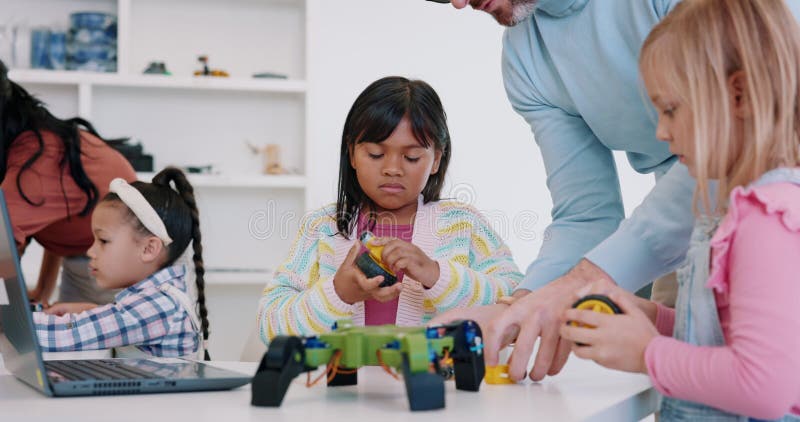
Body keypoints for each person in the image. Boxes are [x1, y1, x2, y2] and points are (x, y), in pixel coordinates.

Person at [431, 0, 800, 383]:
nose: (458, 2)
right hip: (689, 242)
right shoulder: (525, 56)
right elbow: (587, 214)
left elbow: (746, 133)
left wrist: (636, 341)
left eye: (670, 110)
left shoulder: (770, 218)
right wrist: (516, 307)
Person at [560, 1, 800, 419]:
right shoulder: (743, 210)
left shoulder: (767, 219)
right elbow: (725, 341)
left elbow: (766, 387)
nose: (660, 132)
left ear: (738, 95)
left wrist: (647, 352)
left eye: (670, 109)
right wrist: (653, 320)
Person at [257, 76, 523, 341]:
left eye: (412, 157)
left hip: (436, 383)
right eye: (375, 154)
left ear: (436, 160)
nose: (392, 169)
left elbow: (515, 301)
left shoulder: (464, 225)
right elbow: (269, 327)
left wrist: (437, 275)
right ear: (351, 154)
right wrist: (338, 294)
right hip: (340, 384)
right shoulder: (322, 227)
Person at [33, 168, 211, 359]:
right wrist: (92, 311)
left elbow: (60, 338)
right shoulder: (156, 298)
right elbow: (124, 320)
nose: (90, 252)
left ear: (148, 249)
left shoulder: (157, 305)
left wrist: (12, 321)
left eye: (103, 241)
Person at [0, 59, 137, 306]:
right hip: (90, 264)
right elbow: (60, 216)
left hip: (124, 269)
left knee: (112, 346)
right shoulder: (39, 144)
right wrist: (43, 288)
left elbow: (3, 238)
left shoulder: (39, 160)